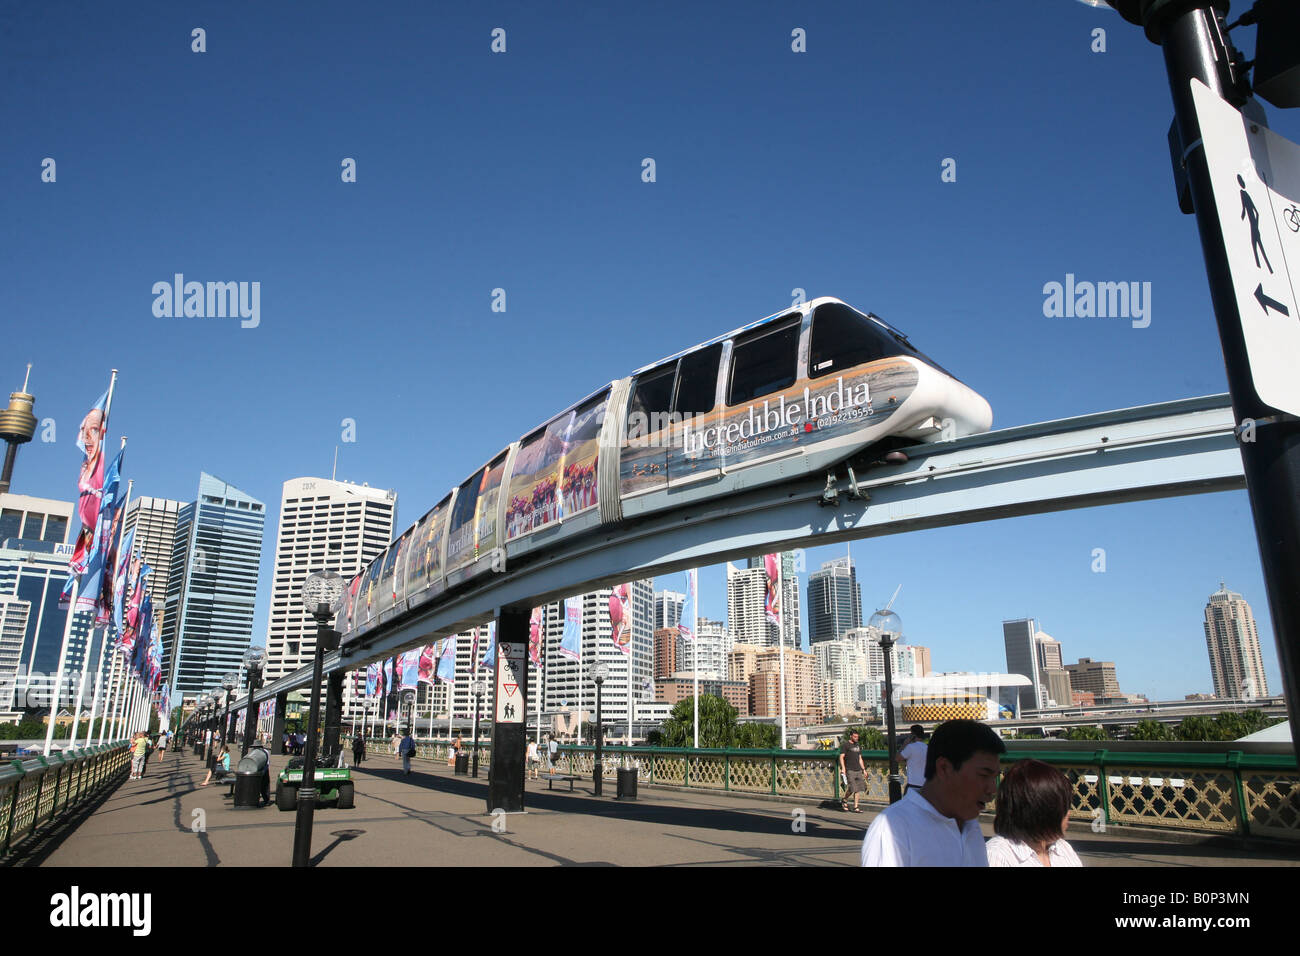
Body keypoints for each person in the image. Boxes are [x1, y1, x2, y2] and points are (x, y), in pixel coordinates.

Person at [861, 719, 1006, 867]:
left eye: (994, 777)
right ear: (944, 768)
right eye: (983, 775)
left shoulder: (971, 826)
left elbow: (898, 758)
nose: (992, 790)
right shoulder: (893, 828)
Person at [985, 759, 1083, 867]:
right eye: (1064, 808)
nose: (1069, 814)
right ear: (1043, 812)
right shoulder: (997, 856)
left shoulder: (1063, 849)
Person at [838, 730, 868, 813]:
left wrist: (864, 770)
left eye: (857, 737)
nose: (856, 738)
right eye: (855, 737)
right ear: (851, 736)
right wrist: (843, 768)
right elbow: (841, 757)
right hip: (849, 769)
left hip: (858, 769)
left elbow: (860, 758)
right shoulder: (846, 745)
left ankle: (856, 807)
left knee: (858, 789)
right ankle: (844, 800)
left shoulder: (858, 745)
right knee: (852, 788)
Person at [900, 725, 928, 792]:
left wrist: (905, 744)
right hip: (925, 785)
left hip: (913, 785)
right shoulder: (927, 747)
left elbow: (898, 758)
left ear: (913, 735)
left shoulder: (910, 747)